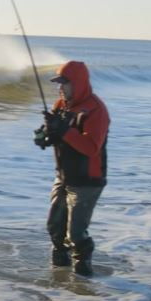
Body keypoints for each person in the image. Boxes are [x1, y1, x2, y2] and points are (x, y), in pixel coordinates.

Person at [34, 61, 110, 275]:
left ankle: (83, 279)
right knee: (55, 229)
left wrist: (63, 130)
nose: (60, 88)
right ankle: (59, 278)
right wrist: (45, 136)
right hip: (63, 176)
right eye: (58, 83)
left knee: (75, 234)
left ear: (78, 83)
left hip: (87, 180)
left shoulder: (96, 110)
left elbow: (90, 147)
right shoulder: (60, 105)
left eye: (64, 84)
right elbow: (57, 134)